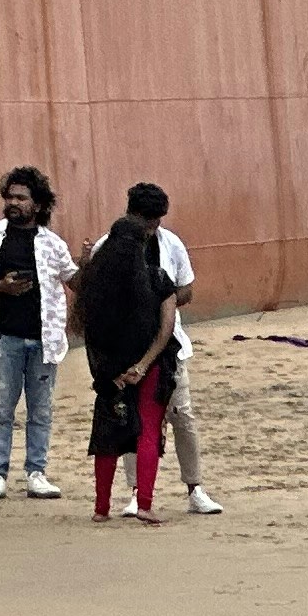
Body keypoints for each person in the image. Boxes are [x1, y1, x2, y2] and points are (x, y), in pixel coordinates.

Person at [0, 165, 75, 501]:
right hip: (2, 337)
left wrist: (90, 264)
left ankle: (37, 472)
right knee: (1, 409)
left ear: (37, 204)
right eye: (10, 196)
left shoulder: (53, 244)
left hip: (44, 340)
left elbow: (74, 280)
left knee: (41, 410)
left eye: (21, 197)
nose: (13, 202)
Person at [76, 187, 182, 521]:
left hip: (108, 370)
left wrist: (110, 372)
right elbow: (166, 328)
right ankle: (145, 504)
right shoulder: (158, 279)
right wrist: (142, 364)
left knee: (108, 435)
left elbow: (87, 329)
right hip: (146, 367)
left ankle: (101, 509)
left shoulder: (94, 283)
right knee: (148, 431)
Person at [146, 185, 226, 516]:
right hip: (128, 347)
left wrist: (161, 302)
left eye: (155, 220)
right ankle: (137, 493)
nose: (151, 227)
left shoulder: (171, 243)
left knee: (182, 416)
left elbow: (187, 289)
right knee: (136, 422)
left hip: (170, 343)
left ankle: (195, 488)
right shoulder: (114, 245)